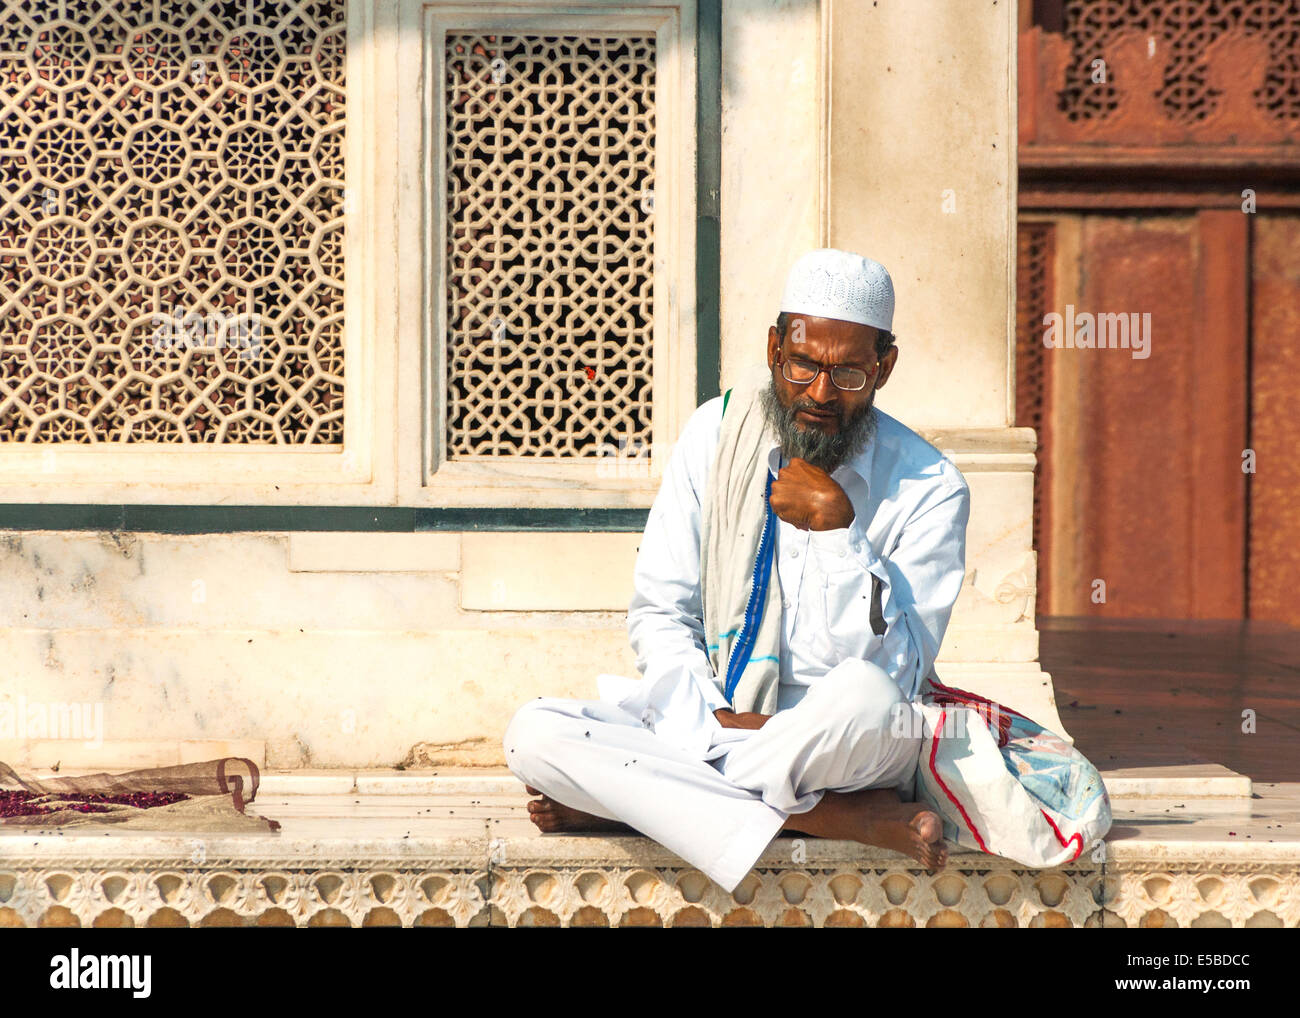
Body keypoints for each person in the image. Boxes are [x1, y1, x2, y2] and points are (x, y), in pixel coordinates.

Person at [503, 248, 971, 893]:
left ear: (884, 368)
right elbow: (663, 612)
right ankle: (827, 817)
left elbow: (901, 669)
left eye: (850, 375)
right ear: (776, 348)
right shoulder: (715, 437)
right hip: (715, 718)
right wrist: (712, 715)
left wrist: (842, 534)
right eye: (804, 364)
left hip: (841, 737)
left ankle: (644, 804)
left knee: (870, 698)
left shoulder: (929, 485)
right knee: (536, 733)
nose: (820, 394)